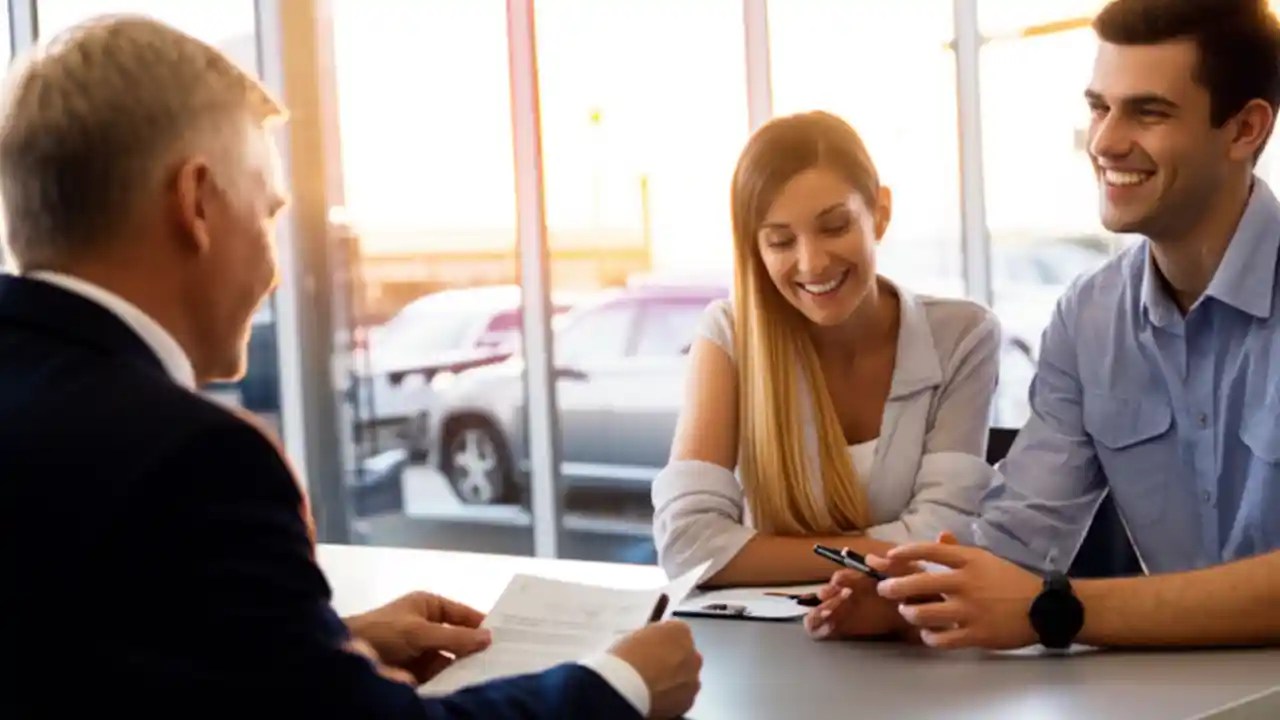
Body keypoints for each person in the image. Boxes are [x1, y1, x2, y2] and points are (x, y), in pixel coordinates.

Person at [0, 16, 701, 718]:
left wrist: (329, 643)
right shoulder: (197, 459)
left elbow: (78, 647)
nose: (275, 272)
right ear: (198, 203)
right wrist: (617, 686)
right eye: (268, 213)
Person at [808, 0, 1280, 650]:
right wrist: (917, 593)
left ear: (1245, 129)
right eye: (1099, 107)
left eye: (1148, 111)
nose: (1107, 140)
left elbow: (1035, 599)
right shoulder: (1089, 319)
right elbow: (1020, 538)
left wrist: (1058, 609)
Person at [651, 110, 1001, 588]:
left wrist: (759, 555)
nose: (812, 263)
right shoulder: (730, 335)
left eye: (835, 227)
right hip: (764, 644)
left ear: (880, 212)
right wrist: (880, 554)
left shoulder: (963, 335)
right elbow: (689, 544)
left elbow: (946, 537)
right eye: (780, 241)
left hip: (906, 637)